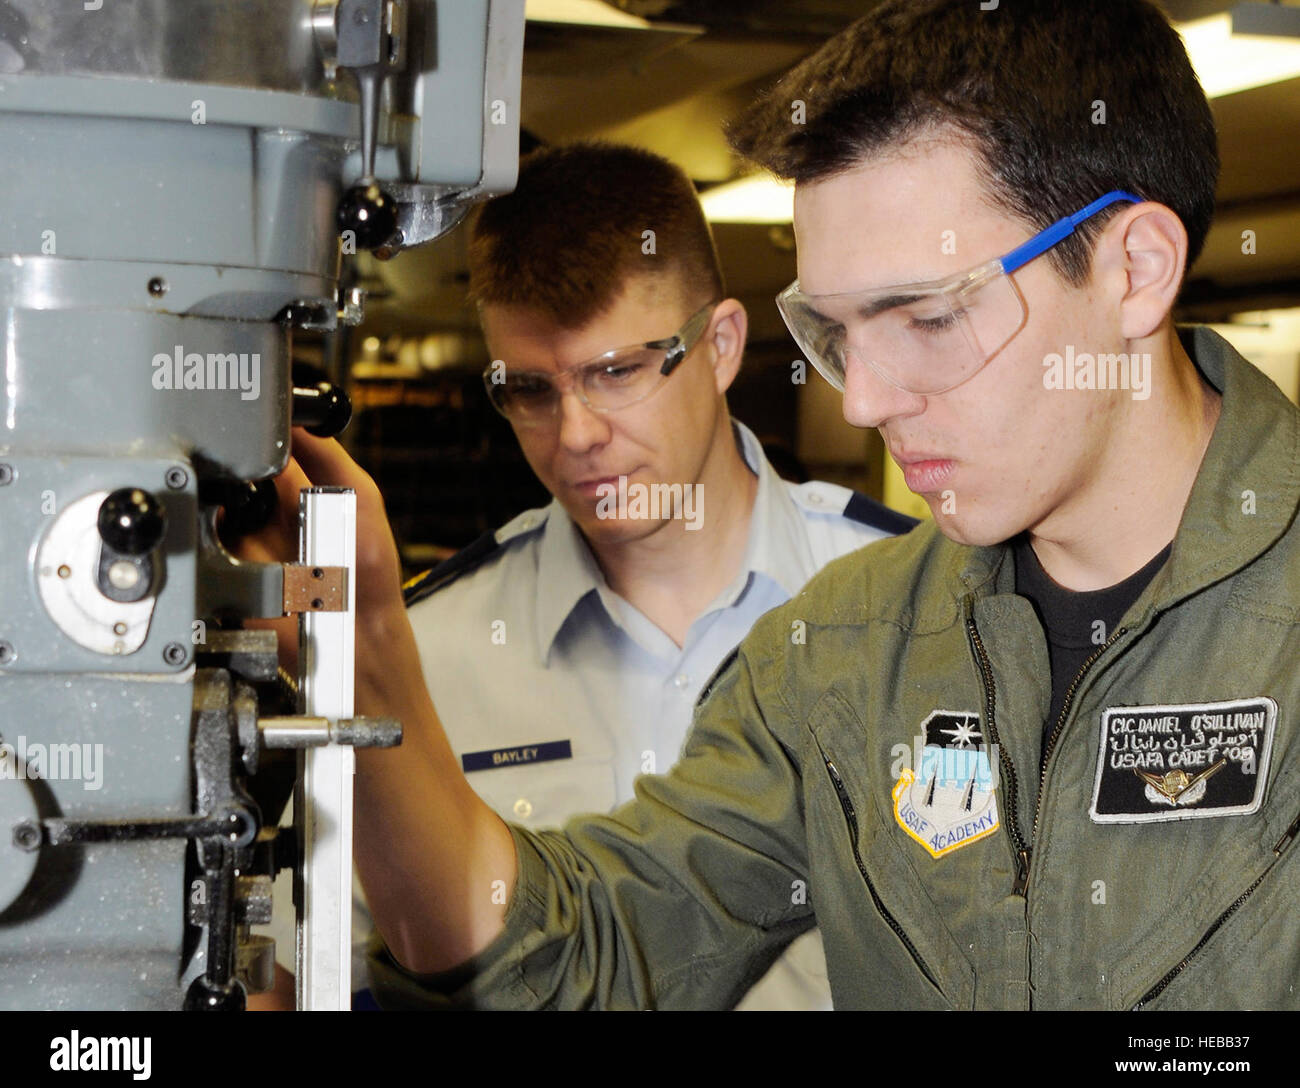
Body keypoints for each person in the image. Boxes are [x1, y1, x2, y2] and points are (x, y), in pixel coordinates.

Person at [269, 0, 1298, 1009]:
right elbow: (580, 954)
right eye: (837, 331)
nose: (862, 399)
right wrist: (364, 658)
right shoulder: (843, 649)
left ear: (1134, 268)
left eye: (928, 318)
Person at [360, 142, 914, 1011]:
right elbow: (304, 966)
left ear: (722, 344)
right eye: (531, 391)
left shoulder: (915, 612)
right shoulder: (416, 662)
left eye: (615, 373)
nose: (575, 433)